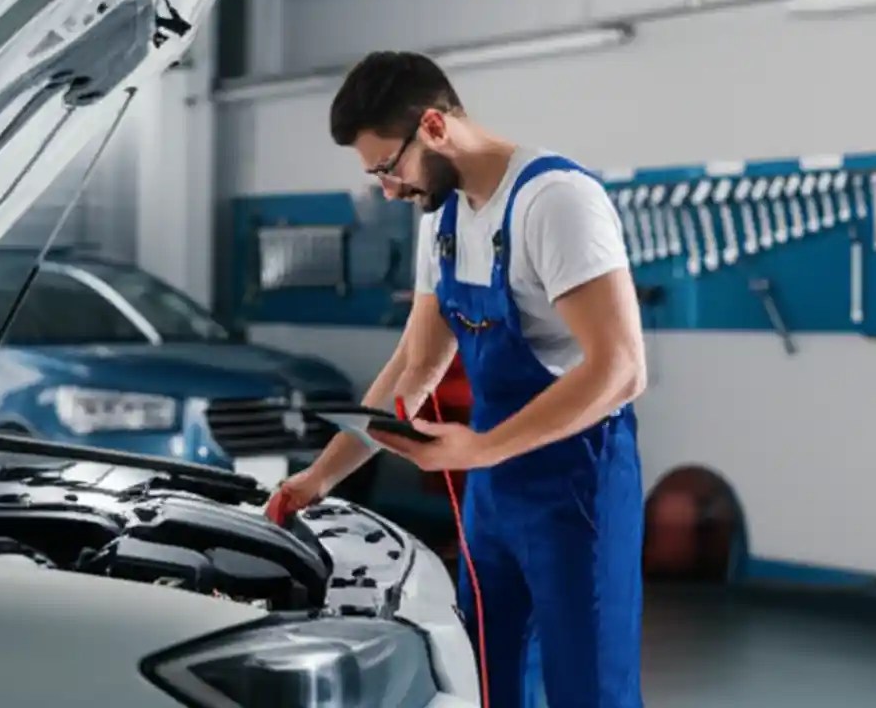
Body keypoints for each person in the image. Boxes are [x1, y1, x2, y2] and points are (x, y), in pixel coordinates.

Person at [270, 51, 646, 708]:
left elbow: (621, 370)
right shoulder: (441, 219)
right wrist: (319, 478)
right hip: (491, 496)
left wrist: (480, 447)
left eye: (389, 168)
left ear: (435, 128)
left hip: (578, 488)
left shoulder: (554, 202)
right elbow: (416, 364)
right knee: (485, 681)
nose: (388, 189)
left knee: (588, 690)